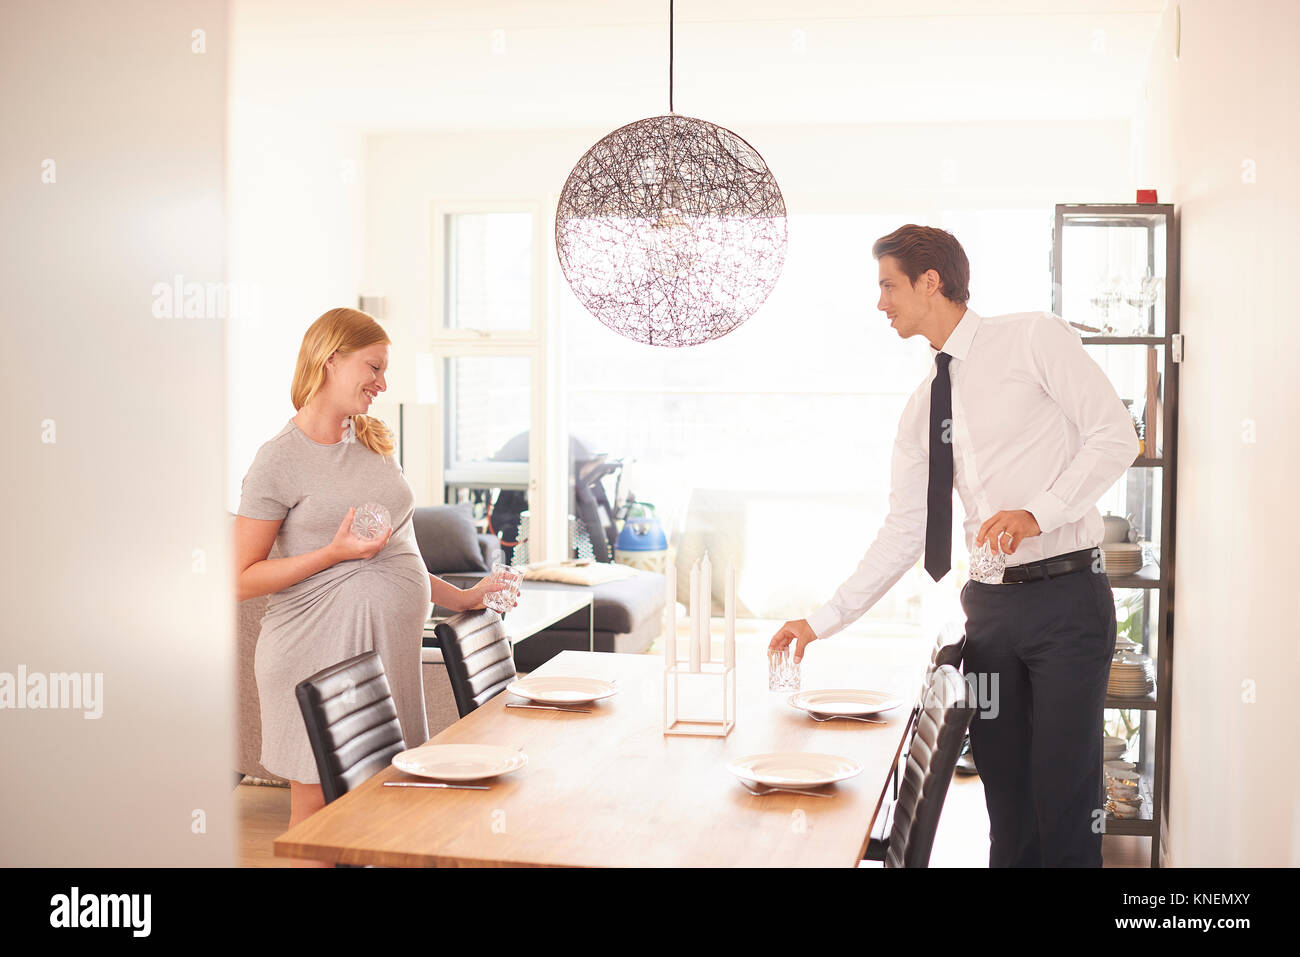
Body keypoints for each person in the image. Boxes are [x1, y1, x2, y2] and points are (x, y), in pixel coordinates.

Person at [768, 225, 1138, 867]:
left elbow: (1115, 436)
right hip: (989, 612)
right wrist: (823, 620)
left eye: (888, 285)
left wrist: (1038, 513)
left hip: (1066, 603)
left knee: (1066, 796)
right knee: (1006, 797)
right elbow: (906, 530)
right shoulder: (921, 408)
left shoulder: (1032, 337)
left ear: (929, 281)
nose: (880, 303)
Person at [235, 307, 512, 864]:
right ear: (330, 359)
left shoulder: (373, 441)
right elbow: (240, 579)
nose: (382, 384)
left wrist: (463, 597)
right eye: (374, 367)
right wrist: (332, 553)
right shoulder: (278, 461)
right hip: (311, 656)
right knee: (318, 815)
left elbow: (401, 551)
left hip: (388, 657)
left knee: (389, 805)